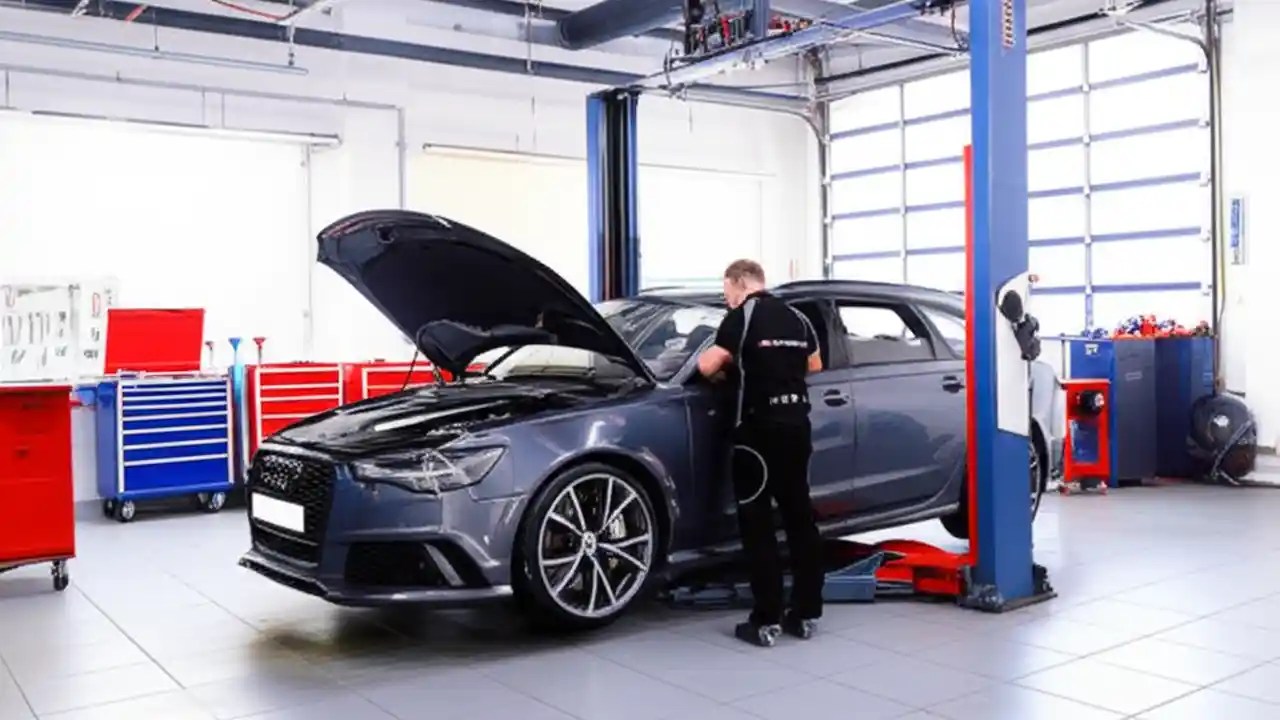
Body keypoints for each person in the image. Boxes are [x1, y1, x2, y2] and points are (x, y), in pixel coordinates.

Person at [697, 259, 825, 648]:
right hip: (797, 427)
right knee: (800, 518)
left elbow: (706, 365)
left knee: (758, 525)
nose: (726, 299)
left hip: (757, 433)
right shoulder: (797, 317)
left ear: (739, 284)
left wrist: (734, 372)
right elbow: (815, 365)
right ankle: (805, 613)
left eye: (726, 292)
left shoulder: (741, 316)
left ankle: (765, 618)